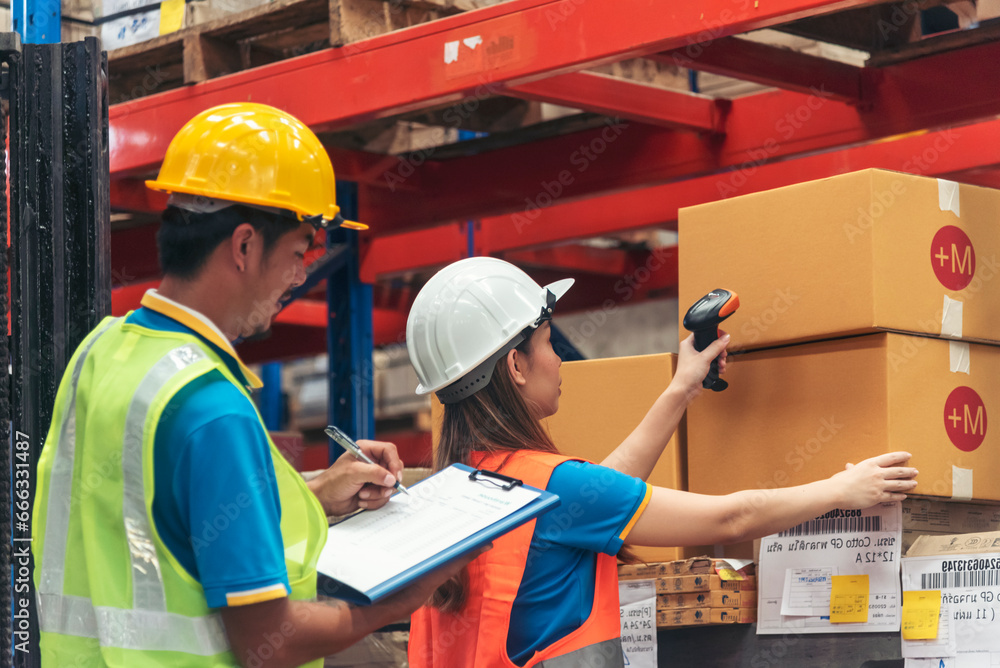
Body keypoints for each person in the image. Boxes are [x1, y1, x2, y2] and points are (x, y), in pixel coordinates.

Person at [31, 103, 476, 668]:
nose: (300, 276)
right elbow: (274, 640)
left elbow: (152, 515)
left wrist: (315, 493)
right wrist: (401, 596)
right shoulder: (212, 407)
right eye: (297, 253)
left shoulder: (101, 351)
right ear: (243, 246)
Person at [404, 256, 919, 668]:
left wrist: (680, 389)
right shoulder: (550, 488)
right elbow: (730, 517)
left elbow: (595, 495)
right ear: (515, 364)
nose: (559, 358)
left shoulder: (446, 495)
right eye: (548, 343)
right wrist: (843, 489)